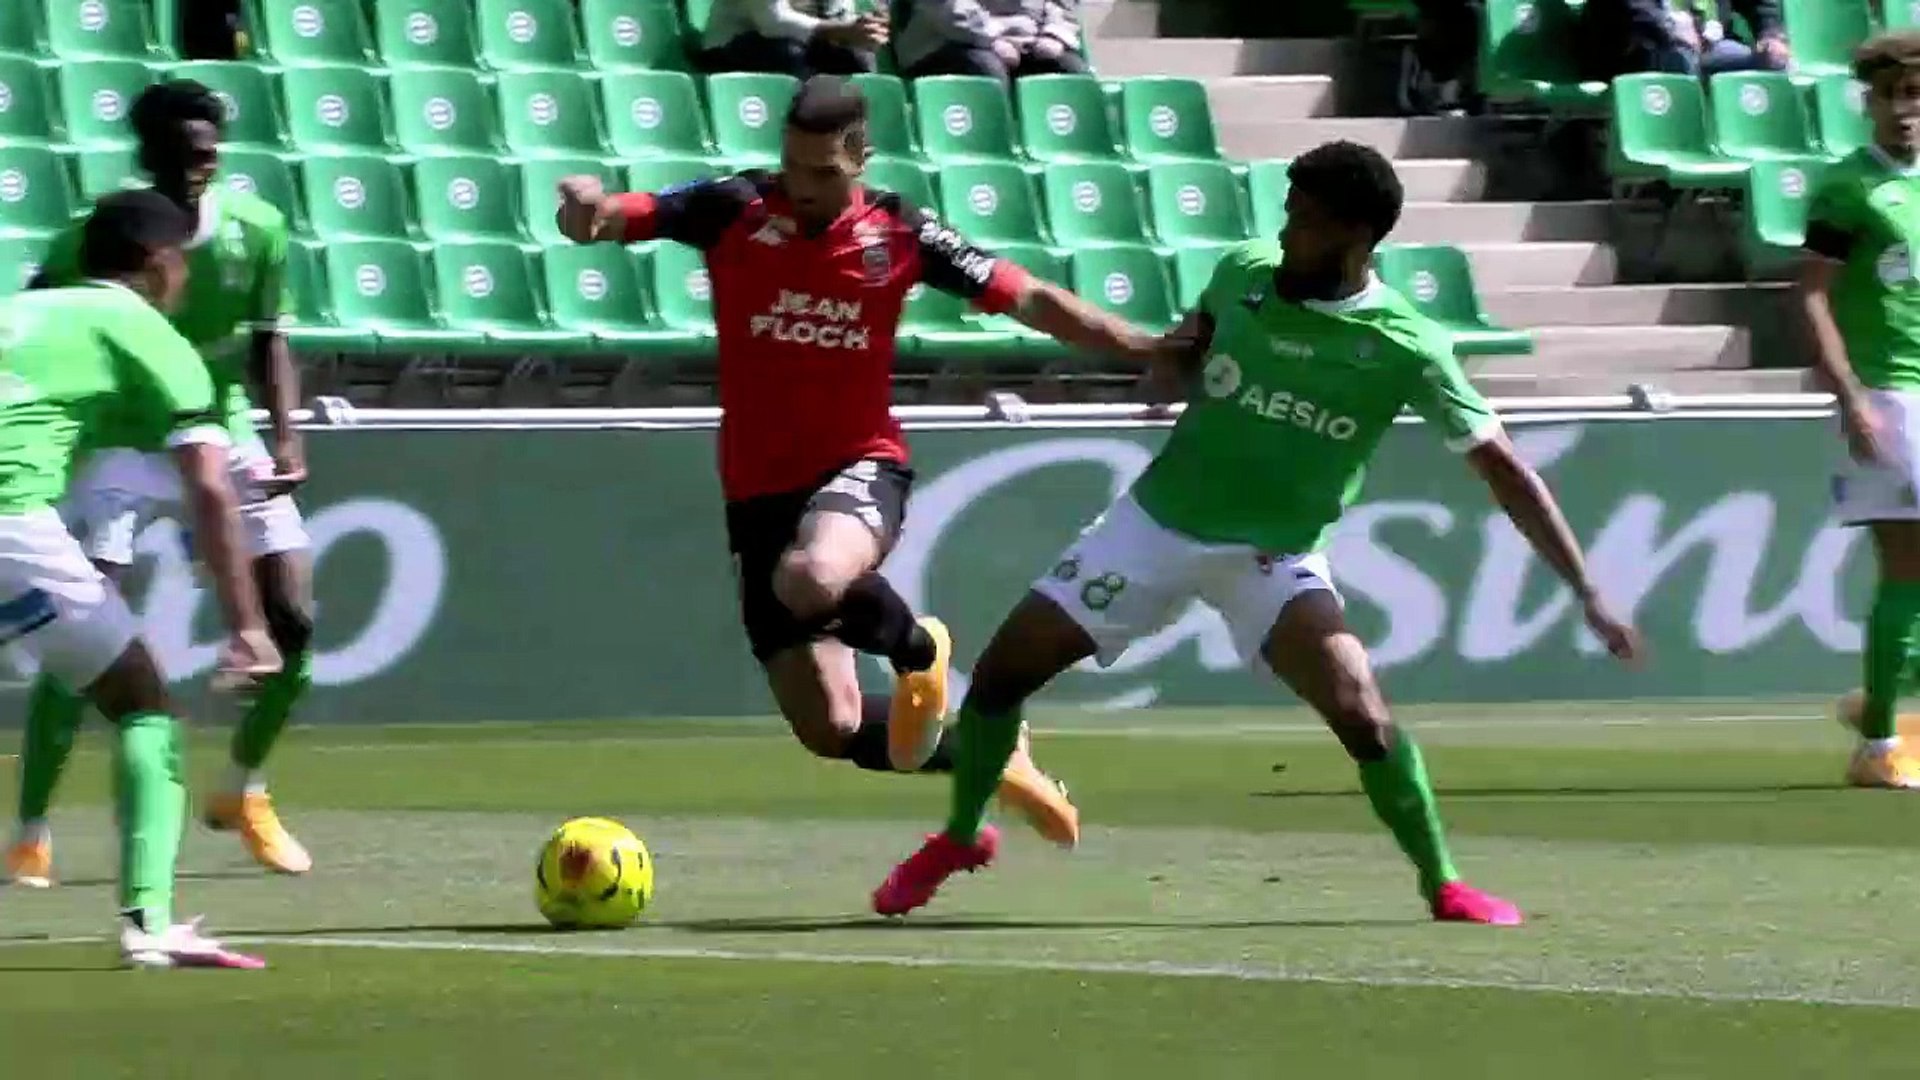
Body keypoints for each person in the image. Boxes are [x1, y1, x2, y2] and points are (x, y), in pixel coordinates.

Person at [872, 141, 1644, 923]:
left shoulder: (1405, 345)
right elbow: (1188, 343)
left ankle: (1442, 882)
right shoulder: (1243, 272)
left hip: (1273, 557)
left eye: (1304, 221)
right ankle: (963, 836)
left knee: (1361, 711)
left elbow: (1505, 469)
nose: (1284, 234)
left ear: (1356, 237)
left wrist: (1588, 591)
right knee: (1001, 677)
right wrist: (1169, 371)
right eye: (1287, 212)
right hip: (1154, 526)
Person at [555, 76, 1174, 848]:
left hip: (859, 467)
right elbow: (615, 216)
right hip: (755, 494)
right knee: (831, 725)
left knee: (813, 576)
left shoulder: (905, 233)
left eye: (822, 171)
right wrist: (584, 210)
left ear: (860, 160)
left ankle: (920, 650)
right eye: (791, 166)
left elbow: (1033, 299)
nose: (802, 187)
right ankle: (988, 755)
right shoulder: (734, 208)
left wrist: (1143, 348)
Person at [6, 79, 314, 887]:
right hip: (117, 438)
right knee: (87, 630)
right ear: (149, 155)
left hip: (220, 423)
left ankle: (244, 787)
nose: (201, 164)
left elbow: (270, 338)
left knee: (296, 618)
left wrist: (286, 430)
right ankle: (31, 828)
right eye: (185, 151)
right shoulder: (95, 238)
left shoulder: (260, 228)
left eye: (211, 150)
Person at [0, 189, 280, 968]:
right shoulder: (141, 327)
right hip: (6, 523)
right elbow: (211, 485)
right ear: (162, 263)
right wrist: (248, 625)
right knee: (142, 704)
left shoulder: (21, 310)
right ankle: (149, 925)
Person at [1802, 32, 1920, 787]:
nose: (1906, 112)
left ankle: (1878, 705)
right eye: (1893, 97)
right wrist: (1848, 394)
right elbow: (1810, 292)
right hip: (1888, 392)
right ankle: (1878, 746)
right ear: (1869, 102)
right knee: (1907, 567)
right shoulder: (1848, 188)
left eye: (1917, 97)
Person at [1578, 0, 1789, 81]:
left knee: (1774, 66)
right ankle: (1682, 150)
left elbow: (1762, 4)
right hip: (1642, 50)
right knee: (1680, 58)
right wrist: (1667, 25)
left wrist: (1770, 34)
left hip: (1710, 48)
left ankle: (1766, 162)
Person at [896, 0, 1088, 88]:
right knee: (986, 67)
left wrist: (1054, 35)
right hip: (943, 41)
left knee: (1070, 70)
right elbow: (947, 8)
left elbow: (1062, 6)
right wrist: (993, 38)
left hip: (1024, 42)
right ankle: (996, 150)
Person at [699, 0, 885, 79]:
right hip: (731, 45)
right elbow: (773, 22)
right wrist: (843, 30)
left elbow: (841, 17)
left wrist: (864, 29)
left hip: (801, 42)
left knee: (858, 58)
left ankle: (854, 135)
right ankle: (800, 132)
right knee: (788, 52)